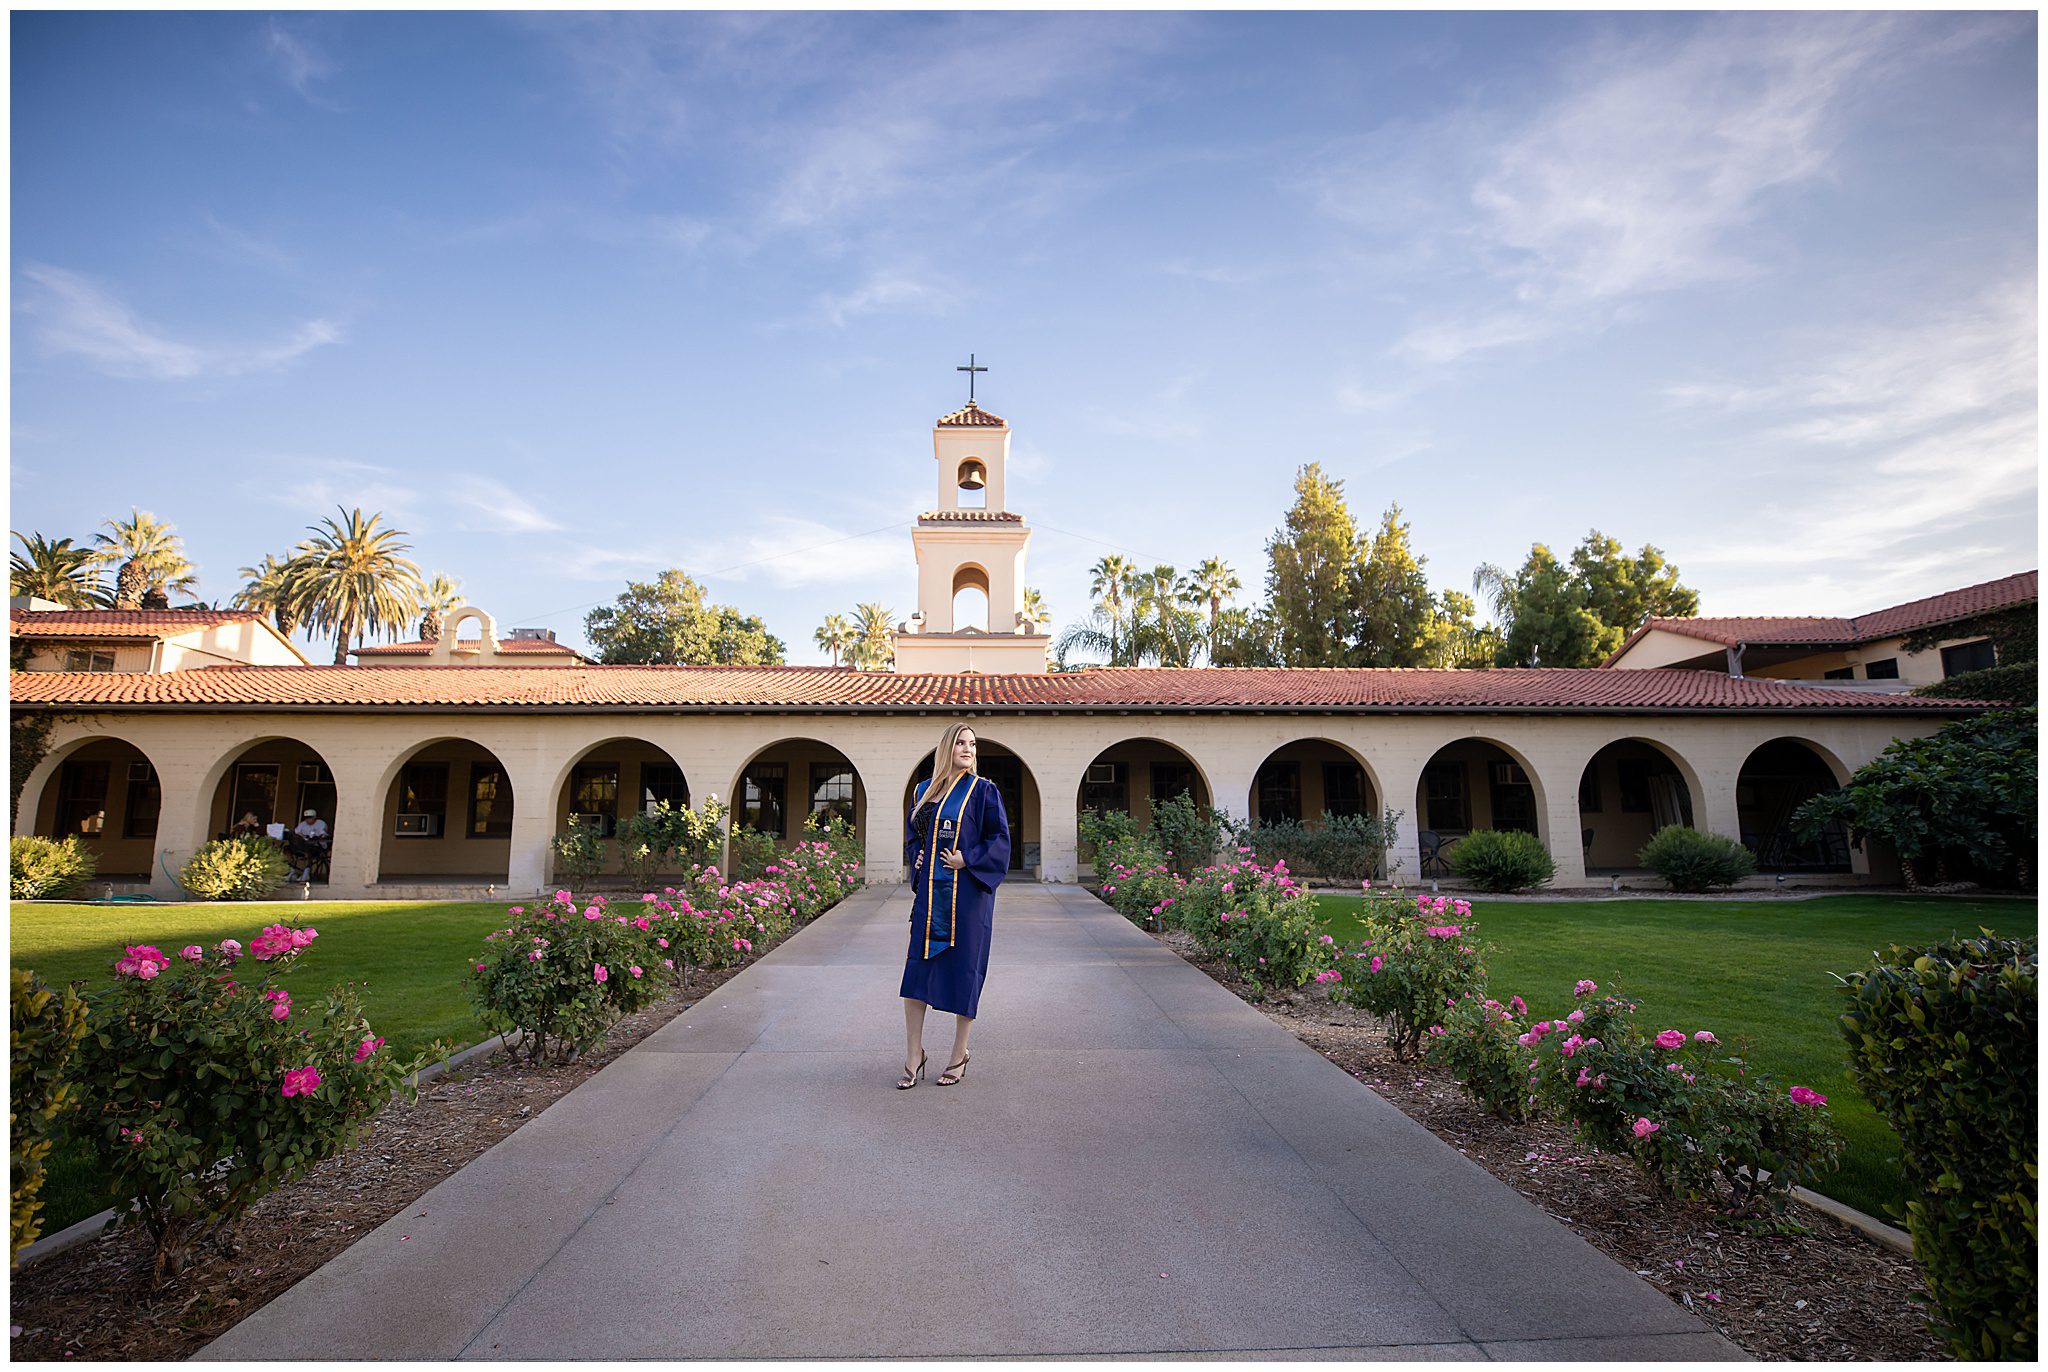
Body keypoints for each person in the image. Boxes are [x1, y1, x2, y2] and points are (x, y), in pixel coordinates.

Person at [898, 722, 1009, 1088]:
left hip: (968, 898)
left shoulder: (983, 791)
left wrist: (969, 859)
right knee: (917, 972)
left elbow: (1000, 840)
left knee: (965, 971)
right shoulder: (922, 791)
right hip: (930, 897)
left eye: (973, 744)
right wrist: (916, 858)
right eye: (961, 743)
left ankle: (959, 1053)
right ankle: (915, 1053)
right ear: (947, 747)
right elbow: (915, 837)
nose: (968, 749)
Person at [289, 809, 330, 882]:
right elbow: (296, 832)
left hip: (317, 846)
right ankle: (291, 869)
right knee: (287, 849)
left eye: (310, 817)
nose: (308, 819)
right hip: (303, 845)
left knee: (308, 851)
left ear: (314, 817)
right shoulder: (302, 824)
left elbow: (323, 835)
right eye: (306, 818)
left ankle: (306, 873)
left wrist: (317, 836)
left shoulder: (320, 823)